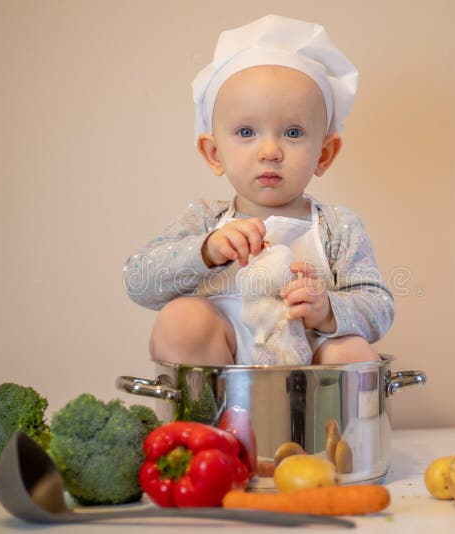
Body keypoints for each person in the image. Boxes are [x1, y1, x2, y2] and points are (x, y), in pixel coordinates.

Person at [123, 14, 394, 366]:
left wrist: (327, 310)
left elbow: (379, 305)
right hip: (226, 355)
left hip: (309, 363)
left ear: (324, 154)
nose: (270, 152)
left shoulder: (338, 228)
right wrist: (205, 252)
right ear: (214, 153)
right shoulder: (206, 220)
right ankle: (210, 418)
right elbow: (139, 281)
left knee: (352, 351)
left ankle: (333, 422)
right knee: (180, 322)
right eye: (247, 132)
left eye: (293, 133)